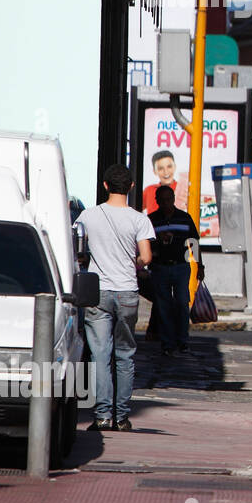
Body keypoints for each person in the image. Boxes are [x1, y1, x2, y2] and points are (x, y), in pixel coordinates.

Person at [77, 164, 155, 432]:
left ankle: (102, 416)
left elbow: (78, 251)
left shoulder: (87, 216)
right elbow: (146, 257)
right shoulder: (139, 219)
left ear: (106, 186)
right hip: (127, 292)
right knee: (125, 355)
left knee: (100, 355)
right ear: (131, 187)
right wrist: (129, 265)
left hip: (97, 292)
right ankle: (122, 417)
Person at [148, 184, 200, 357]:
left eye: (168, 200)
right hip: (159, 267)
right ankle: (167, 343)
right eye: (161, 201)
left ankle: (182, 340)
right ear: (157, 202)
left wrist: (200, 266)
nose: (165, 203)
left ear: (173, 199)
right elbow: (144, 243)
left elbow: (194, 243)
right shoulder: (151, 219)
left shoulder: (184, 218)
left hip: (180, 267)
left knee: (182, 304)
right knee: (163, 306)